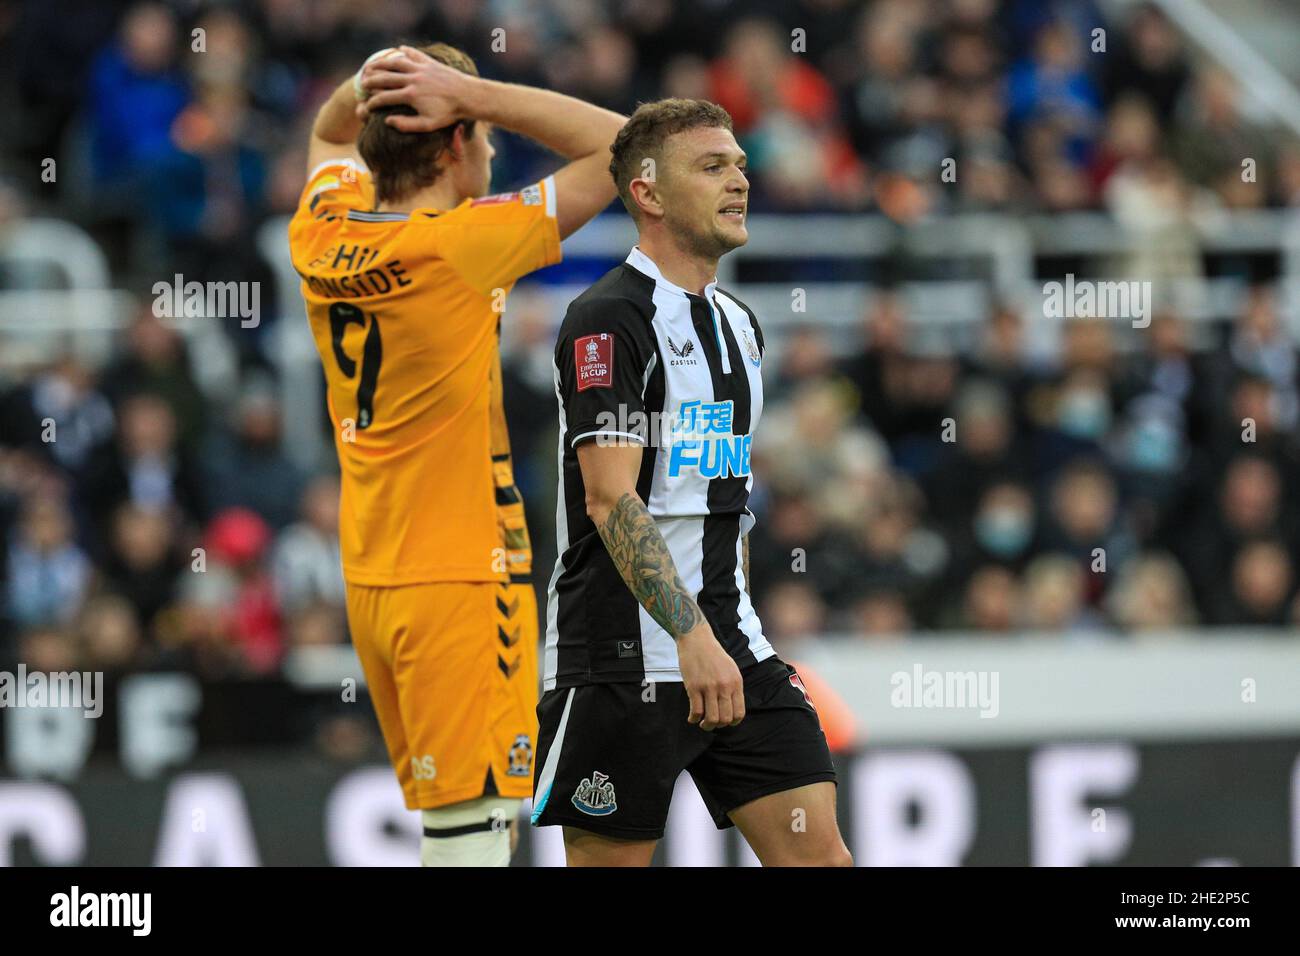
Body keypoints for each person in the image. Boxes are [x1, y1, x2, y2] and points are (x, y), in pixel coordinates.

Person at [288, 43, 623, 866]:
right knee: (472, 829)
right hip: (461, 577)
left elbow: (330, 135)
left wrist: (376, 87)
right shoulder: (463, 245)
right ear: (449, 140)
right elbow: (629, 146)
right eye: (480, 133)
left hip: (375, 568)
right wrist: (471, 91)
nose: (495, 148)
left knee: (464, 822)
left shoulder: (321, 231)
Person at [532, 98, 852, 866]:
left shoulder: (741, 324)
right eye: (711, 167)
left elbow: (723, 502)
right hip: (617, 658)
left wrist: (723, 630)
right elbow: (611, 497)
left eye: (739, 165)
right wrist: (690, 635)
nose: (738, 180)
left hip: (731, 647)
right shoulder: (608, 319)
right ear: (647, 193)